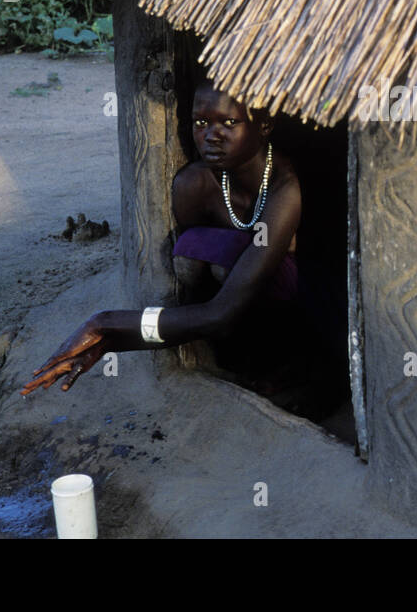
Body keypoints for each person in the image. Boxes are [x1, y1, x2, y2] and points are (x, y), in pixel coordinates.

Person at [20, 79, 307, 396]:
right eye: (201, 123)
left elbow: (221, 312)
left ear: (264, 125)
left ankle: (282, 362)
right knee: (190, 250)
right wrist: (109, 343)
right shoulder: (195, 185)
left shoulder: (285, 188)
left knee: (228, 268)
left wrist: (106, 324)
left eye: (229, 122)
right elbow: (210, 306)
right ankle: (228, 356)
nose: (212, 135)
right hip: (224, 315)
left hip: (301, 309)